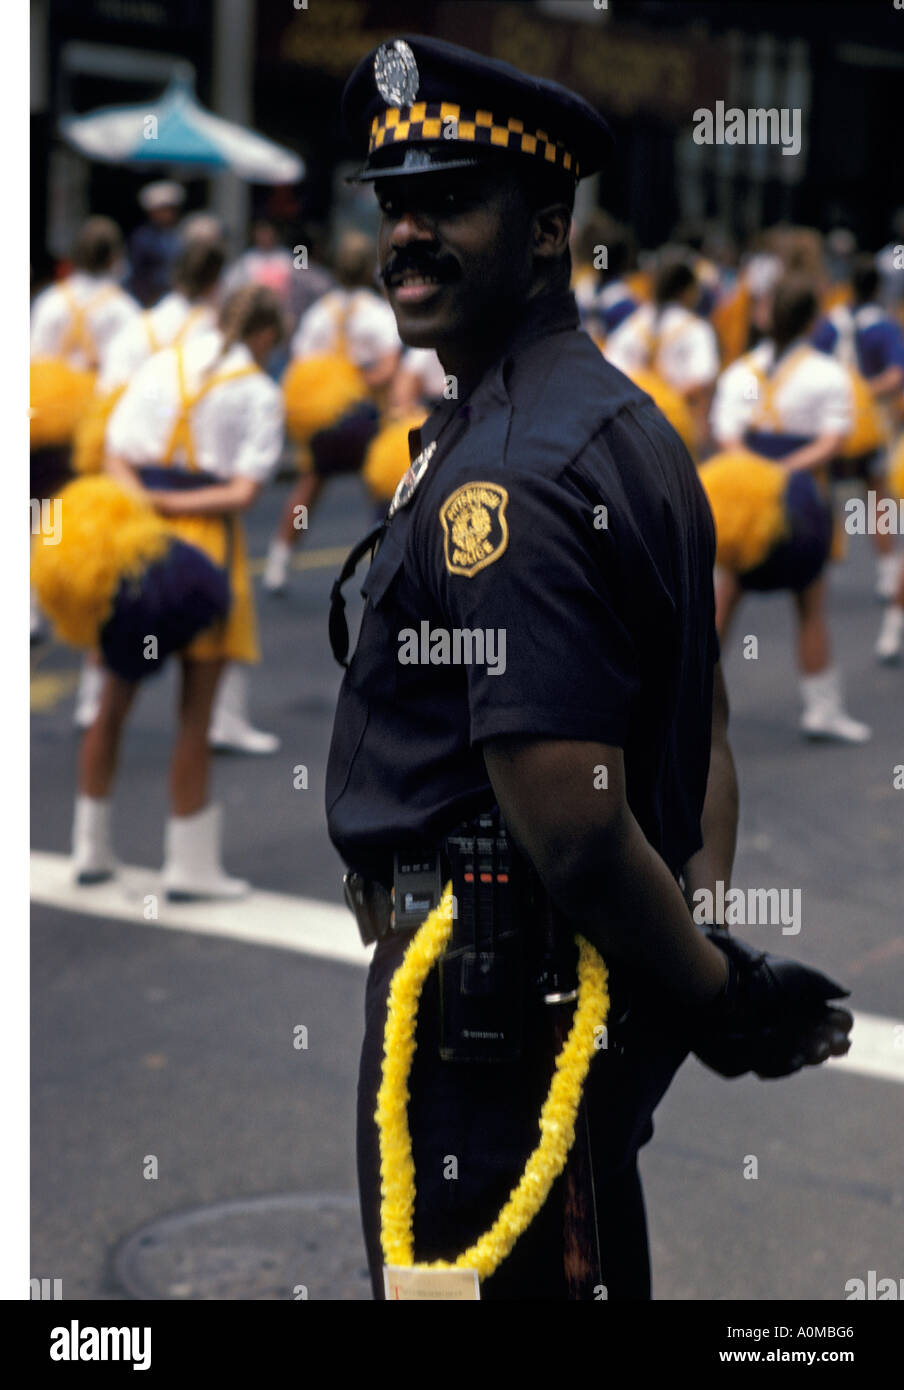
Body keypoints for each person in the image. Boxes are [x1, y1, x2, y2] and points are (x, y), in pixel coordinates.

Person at [325, 34, 853, 1302]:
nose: (408, 233)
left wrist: (714, 997)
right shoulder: (616, 418)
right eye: (396, 205)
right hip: (560, 1006)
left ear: (550, 226)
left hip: (487, 1023)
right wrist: (702, 938)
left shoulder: (507, 469)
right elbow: (703, 716)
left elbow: (574, 829)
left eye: (450, 200)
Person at [71, 286, 285, 896]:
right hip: (207, 548)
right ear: (266, 336)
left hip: (137, 538)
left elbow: (113, 451)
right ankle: (188, 867)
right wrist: (178, 502)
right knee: (196, 716)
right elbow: (243, 494)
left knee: (112, 697)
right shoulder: (261, 393)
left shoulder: (161, 366)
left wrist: (147, 505)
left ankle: (91, 849)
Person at [708, 274, 870, 744]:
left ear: (764, 316)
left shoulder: (740, 372)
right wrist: (787, 473)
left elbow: (728, 437)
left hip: (746, 504)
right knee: (811, 605)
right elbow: (833, 441)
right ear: (811, 320)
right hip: (803, 503)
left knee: (725, 597)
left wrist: (758, 472)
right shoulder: (828, 373)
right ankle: (823, 709)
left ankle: (686, 701)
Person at [263, 230, 401, 593]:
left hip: (325, 423)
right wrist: (358, 381)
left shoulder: (320, 313)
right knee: (381, 489)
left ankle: (278, 561)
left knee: (309, 485)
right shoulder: (378, 312)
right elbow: (388, 368)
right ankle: (382, 566)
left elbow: (300, 365)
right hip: (367, 419)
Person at [812, 254, 904, 602]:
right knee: (876, 496)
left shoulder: (828, 323)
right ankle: (887, 569)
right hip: (869, 426)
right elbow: (896, 376)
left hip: (830, 419)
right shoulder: (884, 325)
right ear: (878, 288)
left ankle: (821, 566)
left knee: (825, 493)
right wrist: (866, 391)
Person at [604, 252, 720, 453]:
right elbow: (703, 378)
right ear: (687, 291)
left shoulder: (632, 324)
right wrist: (664, 399)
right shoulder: (696, 329)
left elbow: (609, 368)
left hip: (630, 421)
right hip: (676, 425)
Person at [127, 181, 185, 307]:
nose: (168, 214)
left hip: (175, 299)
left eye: (170, 209)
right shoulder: (142, 238)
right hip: (149, 299)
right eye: (163, 210)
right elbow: (137, 274)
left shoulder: (178, 236)